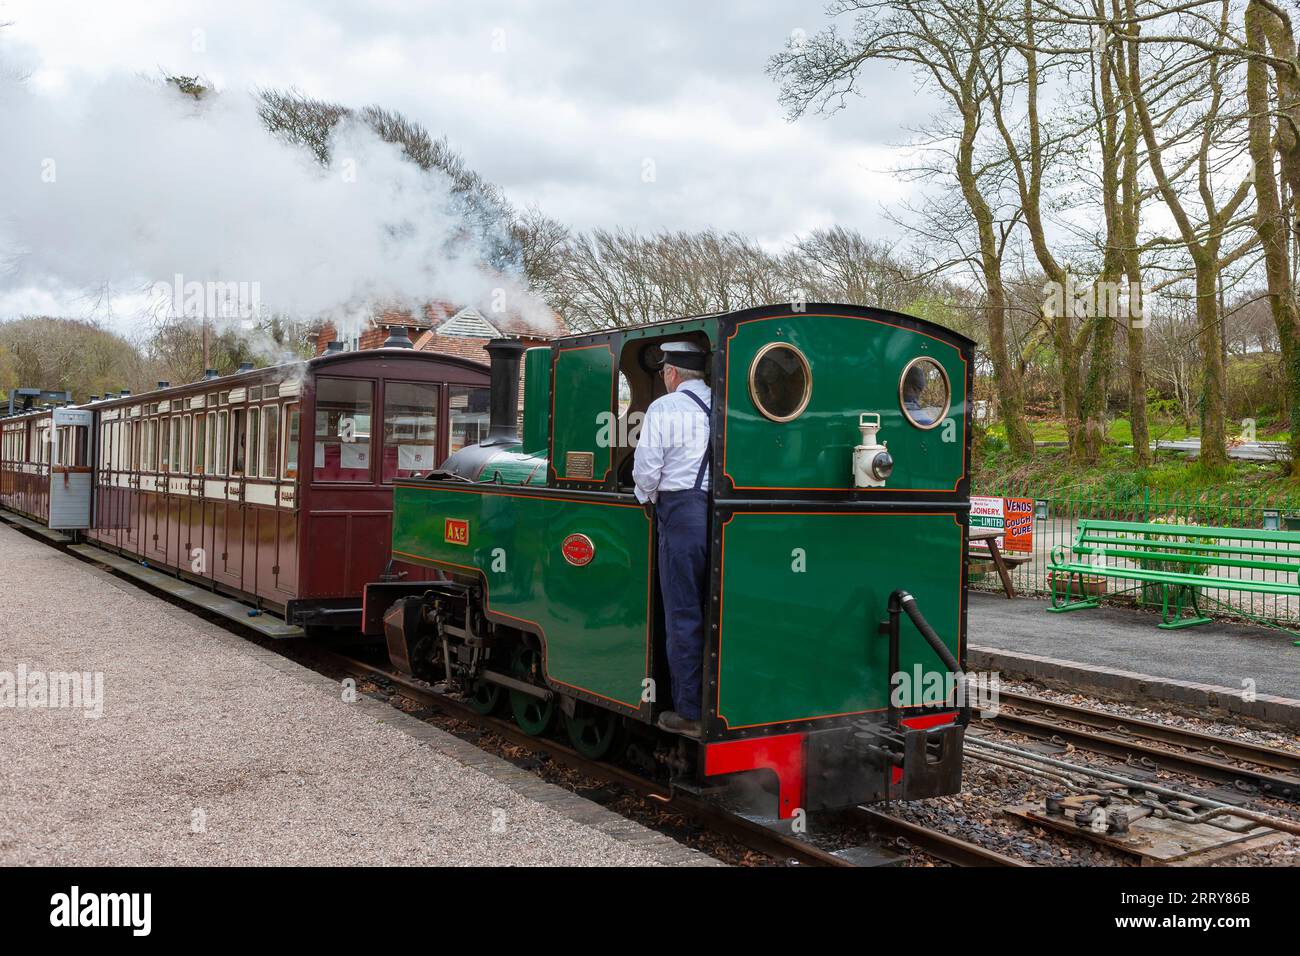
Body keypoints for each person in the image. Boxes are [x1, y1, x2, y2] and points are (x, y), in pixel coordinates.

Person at [632, 340, 711, 738]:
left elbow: (647, 468)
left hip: (682, 512)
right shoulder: (722, 403)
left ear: (671, 373)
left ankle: (691, 711)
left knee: (683, 614)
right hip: (725, 513)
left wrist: (644, 498)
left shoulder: (666, 407)